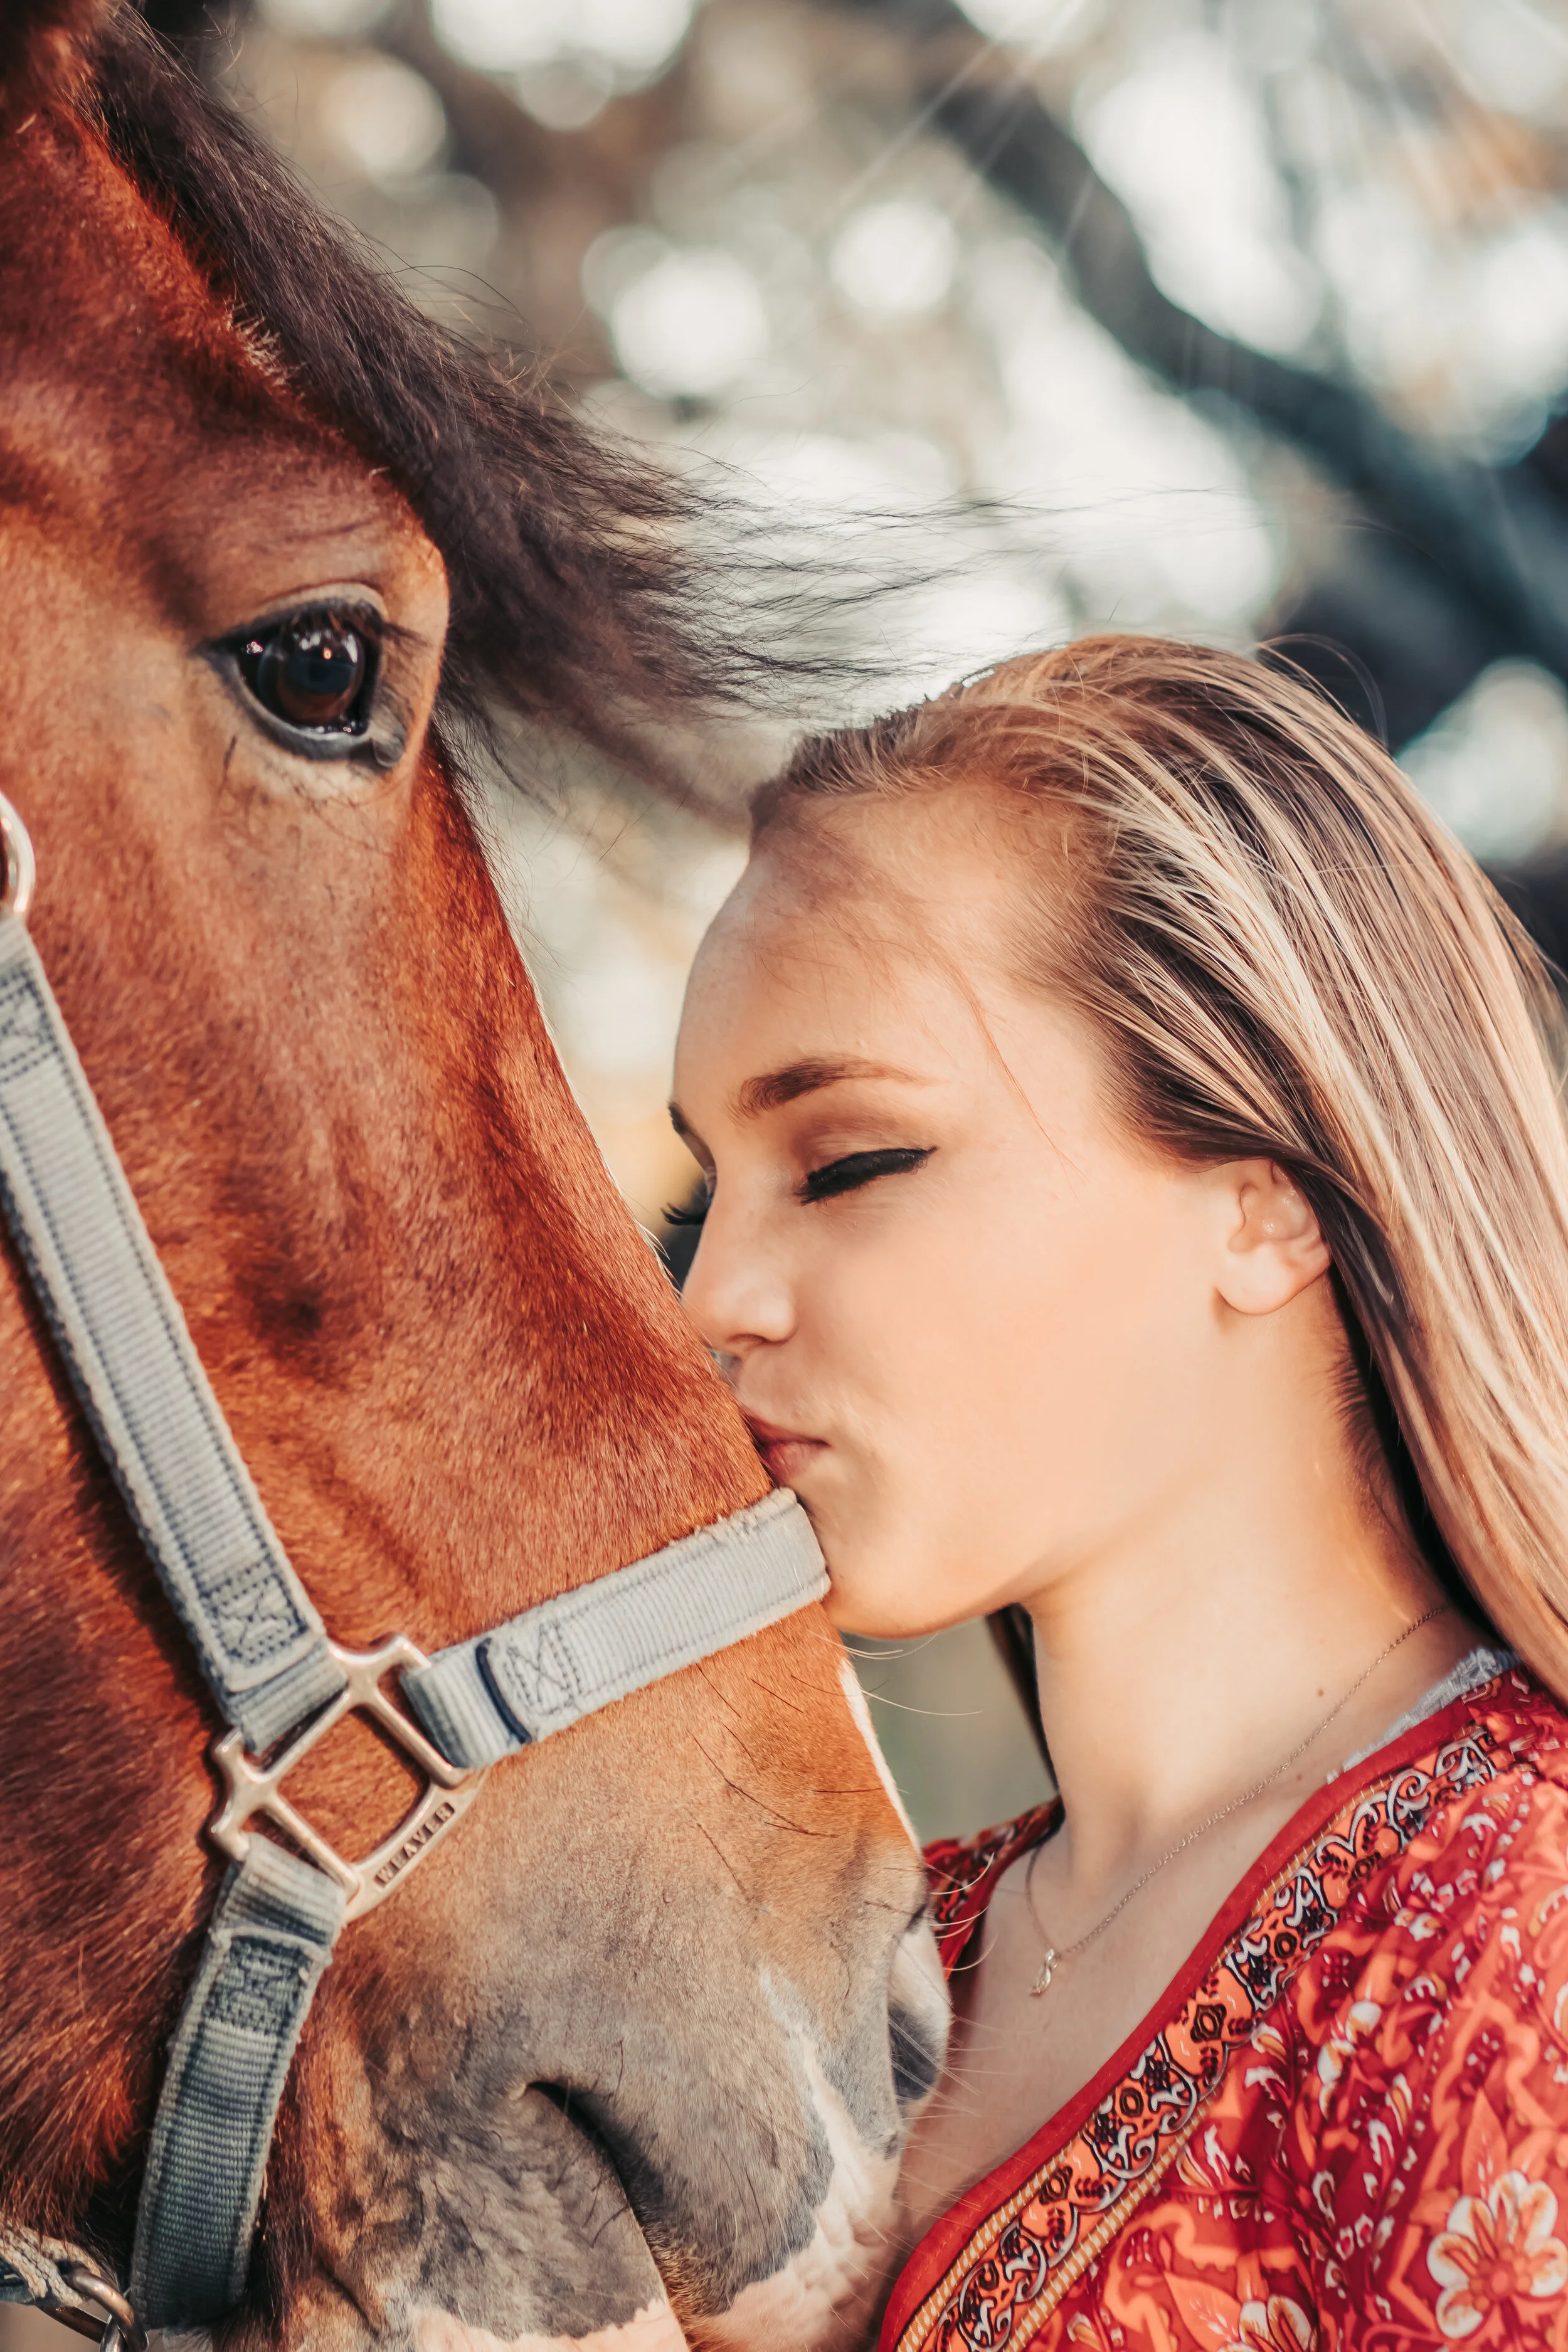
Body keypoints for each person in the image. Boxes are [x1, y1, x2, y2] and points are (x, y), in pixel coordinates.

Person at [666, 634, 1568, 2351]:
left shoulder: (1515, 1932)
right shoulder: (874, 1958)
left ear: (1267, 1198)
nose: (712, 1294)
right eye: (712, 1186)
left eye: (849, 1159)